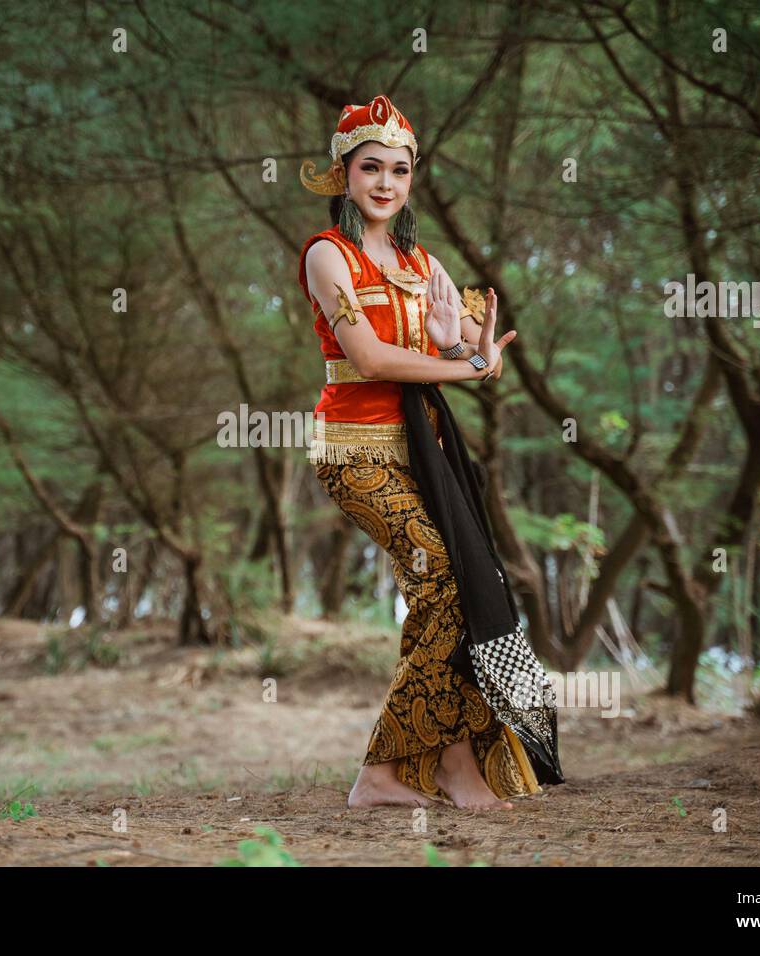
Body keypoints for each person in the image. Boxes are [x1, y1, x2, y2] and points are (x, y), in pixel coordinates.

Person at [298, 94, 563, 810]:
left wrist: (464, 343)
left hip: (423, 450)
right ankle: (387, 771)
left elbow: (468, 355)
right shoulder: (329, 255)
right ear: (342, 174)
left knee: (439, 597)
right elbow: (371, 358)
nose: (385, 183)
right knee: (443, 575)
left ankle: (443, 761)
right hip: (353, 451)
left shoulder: (419, 259)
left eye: (399, 170)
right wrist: (463, 367)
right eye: (370, 168)